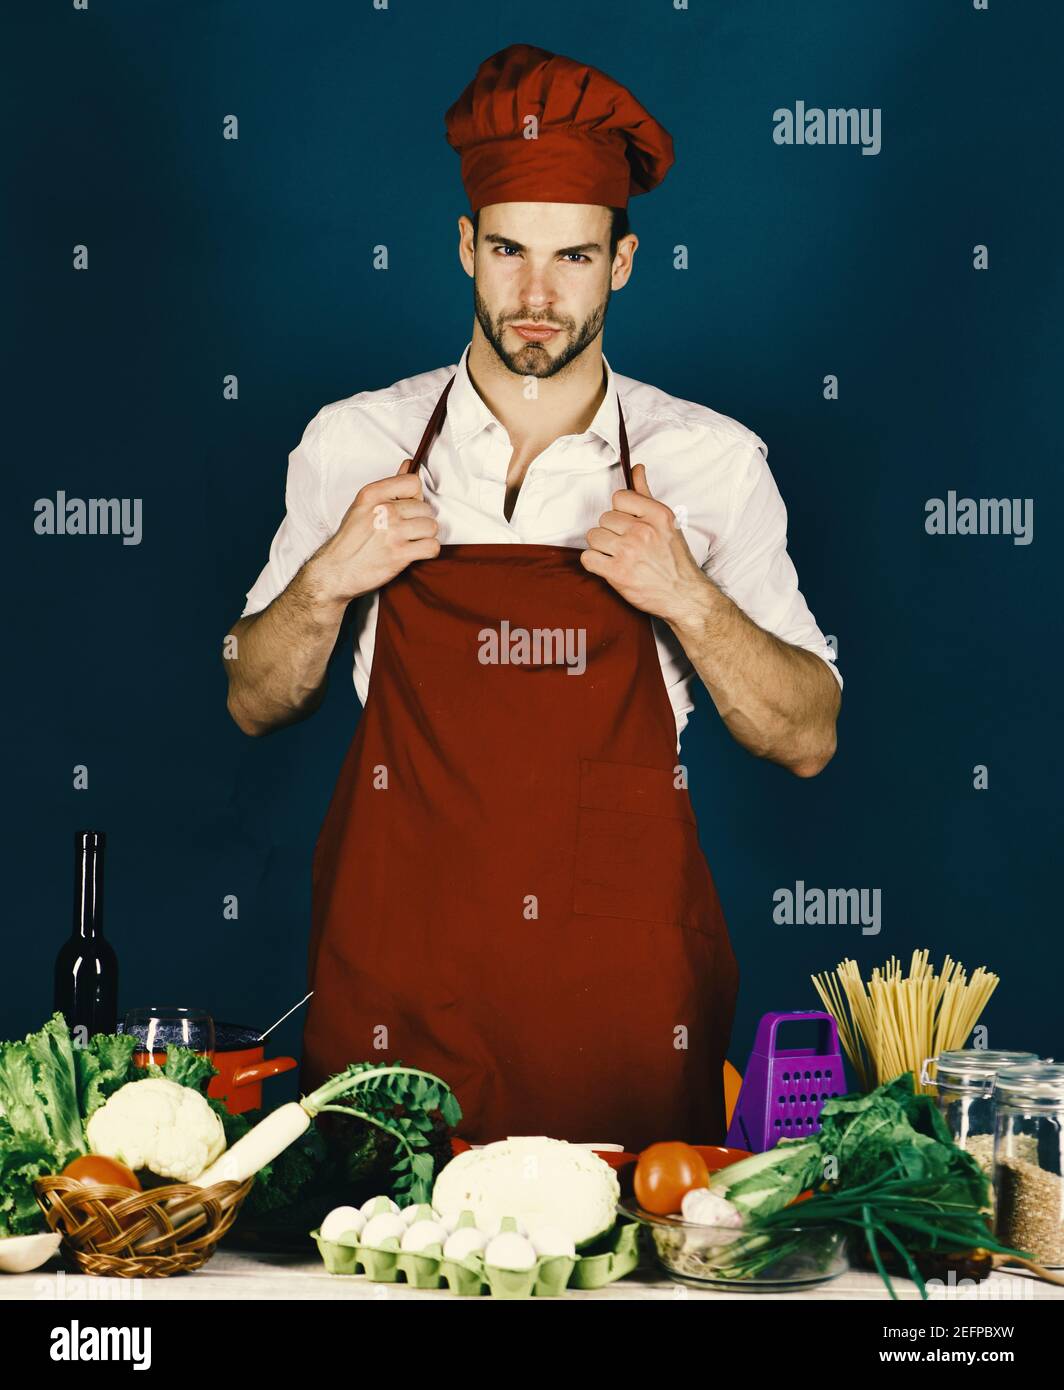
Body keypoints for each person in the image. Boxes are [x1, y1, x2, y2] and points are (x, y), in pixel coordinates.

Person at [223, 44, 842, 1150]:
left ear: (623, 264)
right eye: (508, 250)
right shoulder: (354, 442)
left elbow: (806, 733)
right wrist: (324, 582)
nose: (537, 295)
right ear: (465, 245)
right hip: (394, 991)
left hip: (615, 1006)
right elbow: (252, 699)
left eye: (573, 257)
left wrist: (686, 597)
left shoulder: (707, 460)